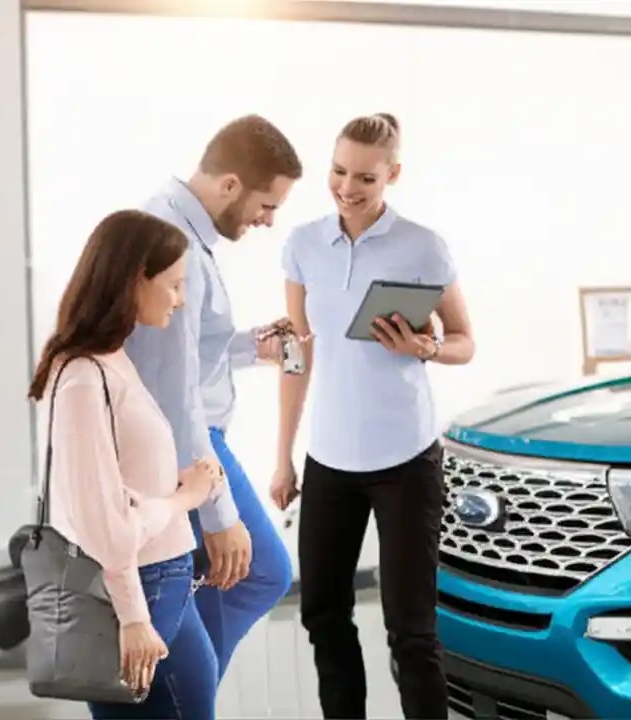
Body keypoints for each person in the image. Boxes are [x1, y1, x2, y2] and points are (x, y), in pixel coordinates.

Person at [271, 112, 475, 719]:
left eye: (365, 176)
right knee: (323, 616)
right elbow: (296, 354)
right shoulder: (303, 244)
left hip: (406, 462)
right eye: (338, 171)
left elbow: (464, 340)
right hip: (330, 458)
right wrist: (282, 455)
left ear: (393, 174)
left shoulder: (423, 246)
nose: (347, 187)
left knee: (411, 633)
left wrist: (427, 347)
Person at [124, 114, 303, 679]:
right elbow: (171, 395)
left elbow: (192, 352)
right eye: (266, 204)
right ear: (230, 185)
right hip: (191, 442)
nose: (269, 221)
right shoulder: (170, 241)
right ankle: (181, 692)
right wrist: (218, 512)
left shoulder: (184, 232)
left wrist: (256, 346)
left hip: (194, 435)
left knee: (226, 577)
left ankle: (178, 689)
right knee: (261, 571)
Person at [27, 209, 226, 719]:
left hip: (167, 580)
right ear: (138, 277)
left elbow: (124, 496)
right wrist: (186, 496)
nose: (180, 301)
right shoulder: (81, 379)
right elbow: (107, 529)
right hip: (143, 590)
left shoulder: (112, 359)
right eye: (174, 285)